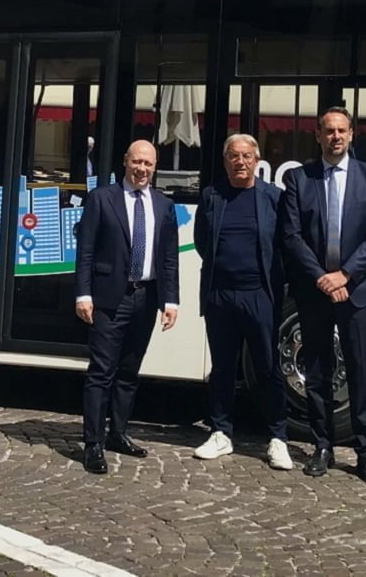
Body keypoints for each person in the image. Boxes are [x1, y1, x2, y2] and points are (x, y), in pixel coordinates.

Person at [280, 107, 366, 486]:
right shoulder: (299, 179)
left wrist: (344, 275)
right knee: (317, 372)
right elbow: (291, 236)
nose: (336, 137)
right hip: (314, 292)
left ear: (352, 134)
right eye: (329, 131)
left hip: (358, 291)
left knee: (362, 372)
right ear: (317, 135)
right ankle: (321, 446)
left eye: (342, 130)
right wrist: (322, 279)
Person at [74, 139, 180, 475]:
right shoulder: (102, 199)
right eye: (137, 162)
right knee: (101, 371)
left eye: (148, 164)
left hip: (145, 298)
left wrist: (170, 301)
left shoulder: (163, 205)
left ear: (155, 166)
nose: (142, 169)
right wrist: (83, 294)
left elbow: (169, 259)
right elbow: (86, 251)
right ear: (125, 162)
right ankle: (93, 443)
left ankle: (118, 432)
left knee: (129, 372)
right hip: (108, 298)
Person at [191, 133, 292, 470]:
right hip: (220, 294)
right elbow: (203, 242)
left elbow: (283, 246)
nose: (240, 162)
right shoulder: (211, 197)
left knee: (267, 368)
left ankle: (278, 437)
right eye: (233, 156)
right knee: (222, 368)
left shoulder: (273, 198)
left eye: (246, 156)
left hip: (259, 294)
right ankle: (221, 432)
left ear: (257, 160)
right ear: (225, 161)